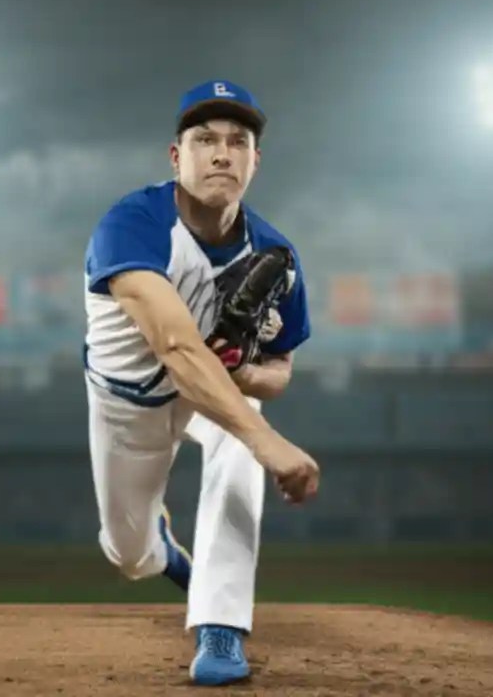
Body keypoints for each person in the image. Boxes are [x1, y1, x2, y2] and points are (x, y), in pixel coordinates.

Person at [82, 79, 320, 686]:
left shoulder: (276, 251)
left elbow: (280, 373)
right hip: (127, 401)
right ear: (175, 155)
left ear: (254, 161)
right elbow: (174, 345)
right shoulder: (132, 223)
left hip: (207, 389)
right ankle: (161, 550)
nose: (221, 153)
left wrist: (244, 372)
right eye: (204, 139)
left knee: (241, 435)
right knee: (128, 554)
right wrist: (269, 443)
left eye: (238, 141)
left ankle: (220, 623)